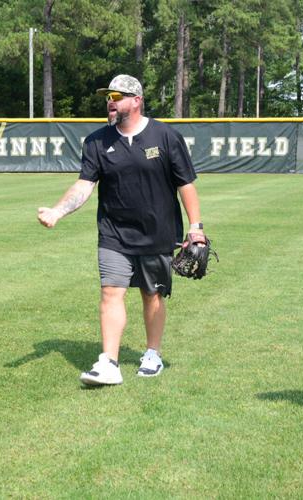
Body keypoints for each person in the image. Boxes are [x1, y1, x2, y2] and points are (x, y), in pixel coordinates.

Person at [37, 74, 204, 386]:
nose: (109, 102)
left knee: (152, 295)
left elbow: (186, 184)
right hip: (114, 233)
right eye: (107, 97)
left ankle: (152, 354)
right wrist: (58, 211)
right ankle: (109, 363)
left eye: (116, 96)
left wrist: (196, 227)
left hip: (157, 232)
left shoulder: (166, 136)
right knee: (111, 291)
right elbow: (84, 185)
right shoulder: (96, 142)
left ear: (136, 100)